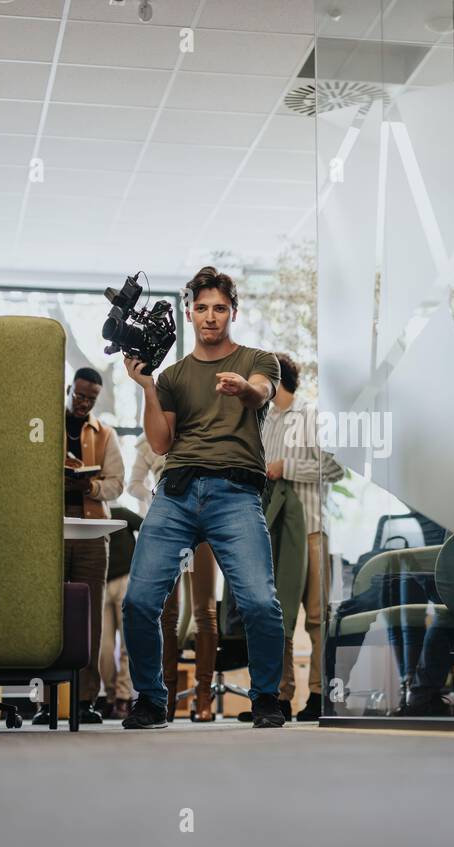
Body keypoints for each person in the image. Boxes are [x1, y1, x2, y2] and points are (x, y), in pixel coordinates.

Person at [120, 266, 286, 729]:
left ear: (233, 311)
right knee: (138, 602)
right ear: (190, 314)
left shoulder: (258, 359)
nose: (210, 317)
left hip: (235, 495)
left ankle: (267, 697)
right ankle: (152, 700)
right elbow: (159, 443)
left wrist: (243, 387)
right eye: (201, 308)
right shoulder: (172, 375)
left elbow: (261, 394)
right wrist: (148, 388)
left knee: (258, 601)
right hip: (175, 494)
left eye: (219, 308)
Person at [34, 367, 124, 725]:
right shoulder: (45, 427)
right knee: (47, 615)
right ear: (69, 389)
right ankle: (46, 702)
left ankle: (86, 699)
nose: (84, 402)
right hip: (50, 527)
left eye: (91, 398)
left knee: (88, 619)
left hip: (90, 529)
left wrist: (90, 487)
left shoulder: (106, 434)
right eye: (80, 395)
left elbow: (115, 484)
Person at [258, 353, 343, 722]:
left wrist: (286, 467)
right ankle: (279, 696)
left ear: (276, 381)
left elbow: (336, 466)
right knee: (278, 617)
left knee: (316, 617)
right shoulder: (262, 421)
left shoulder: (312, 416)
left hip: (310, 529)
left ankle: (319, 696)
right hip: (272, 533)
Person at [129, 436, 219, 721]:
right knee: (166, 613)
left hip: (204, 524)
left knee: (204, 610)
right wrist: (152, 494)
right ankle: (164, 696)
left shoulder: (201, 429)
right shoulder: (150, 442)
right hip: (168, 523)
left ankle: (204, 695)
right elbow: (133, 484)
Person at [100, 505, 143, 719]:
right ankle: (112, 696)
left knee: (125, 645)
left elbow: (147, 527)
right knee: (104, 648)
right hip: (102, 583)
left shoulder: (121, 514)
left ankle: (122, 697)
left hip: (125, 580)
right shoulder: (96, 516)